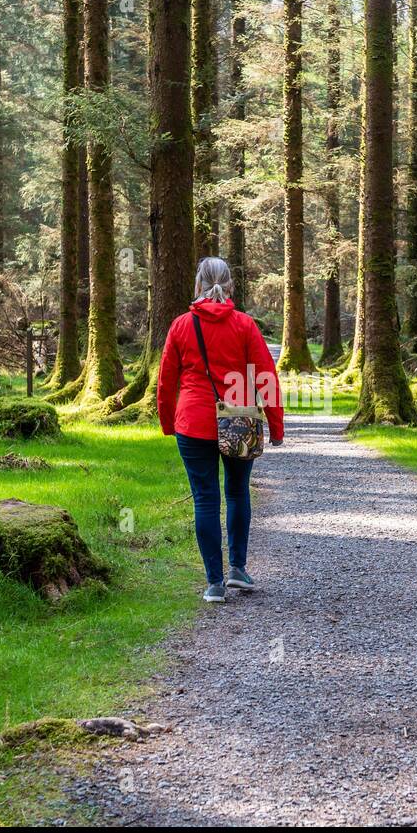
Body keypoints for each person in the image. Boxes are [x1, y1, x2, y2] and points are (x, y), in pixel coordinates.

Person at [157, 257, 284, 603]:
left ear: (198, 285)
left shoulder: (181, 326)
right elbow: (265, 376)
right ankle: (238, 571)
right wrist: (276, 423)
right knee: (238, 492)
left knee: (205, 499)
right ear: (230, 287)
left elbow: (166, 381)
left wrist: (168, 421)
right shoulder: (244, 325)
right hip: (240, 418)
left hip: (193, 422)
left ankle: (214, 582)